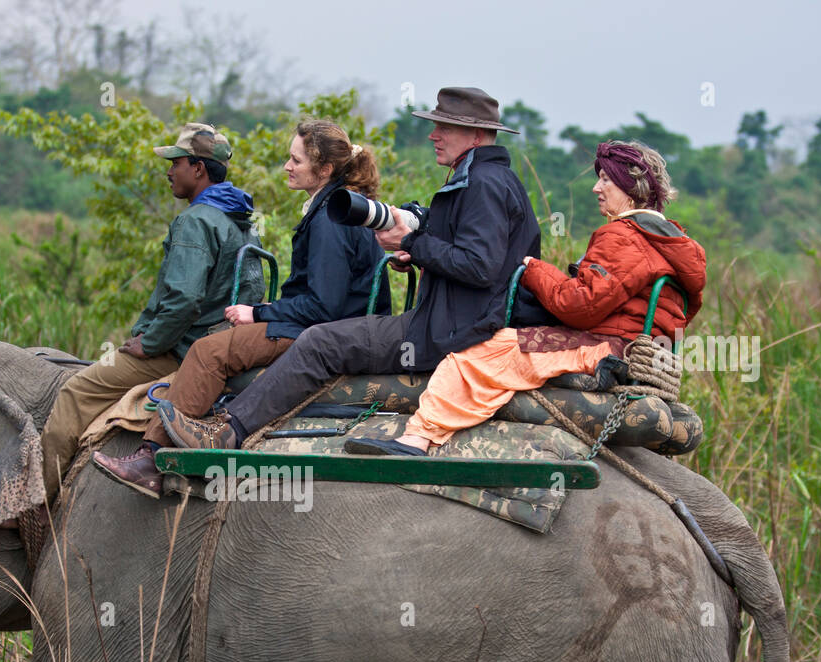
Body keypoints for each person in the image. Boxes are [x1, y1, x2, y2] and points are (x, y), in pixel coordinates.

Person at [155, 87, 540, 451]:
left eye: (444, 127)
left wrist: (411, 242)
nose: (432, 135)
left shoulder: (482, 184)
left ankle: (228, 432)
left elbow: (479, 266)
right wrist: (418, 253)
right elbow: (476, 261)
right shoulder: (488, 179)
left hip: (450, 332)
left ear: (474, 135)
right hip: (450, 321)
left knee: (320, 341)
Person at [348, 140, 707, 456]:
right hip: (632, 345)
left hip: (605, 347)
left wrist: (535, 268)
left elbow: (578, 307)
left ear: (632, 188)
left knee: (482, 354)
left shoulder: (622, 236)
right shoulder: (674, 243)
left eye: (607, 180)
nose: (597, 188)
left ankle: (418, 438)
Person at [91, 120, 390, 495]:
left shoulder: (330, 217)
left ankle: (151, 458)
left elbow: (325, 305)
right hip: (335, 325)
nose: (287, 166)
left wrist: (260, 313)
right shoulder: (341, 206)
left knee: (207, 351)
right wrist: (274, 307)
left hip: (325, 334)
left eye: (296, 160)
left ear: (324, 170)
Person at [38, 123, 263, 502]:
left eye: (176, 162)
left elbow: (184, 301)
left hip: (183, 349)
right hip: (229, 344)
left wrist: (151, 342)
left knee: (74, 392)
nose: (169, 171)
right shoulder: (245, 221)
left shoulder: (195, 221)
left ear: (198, 168)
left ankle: (36, 503)